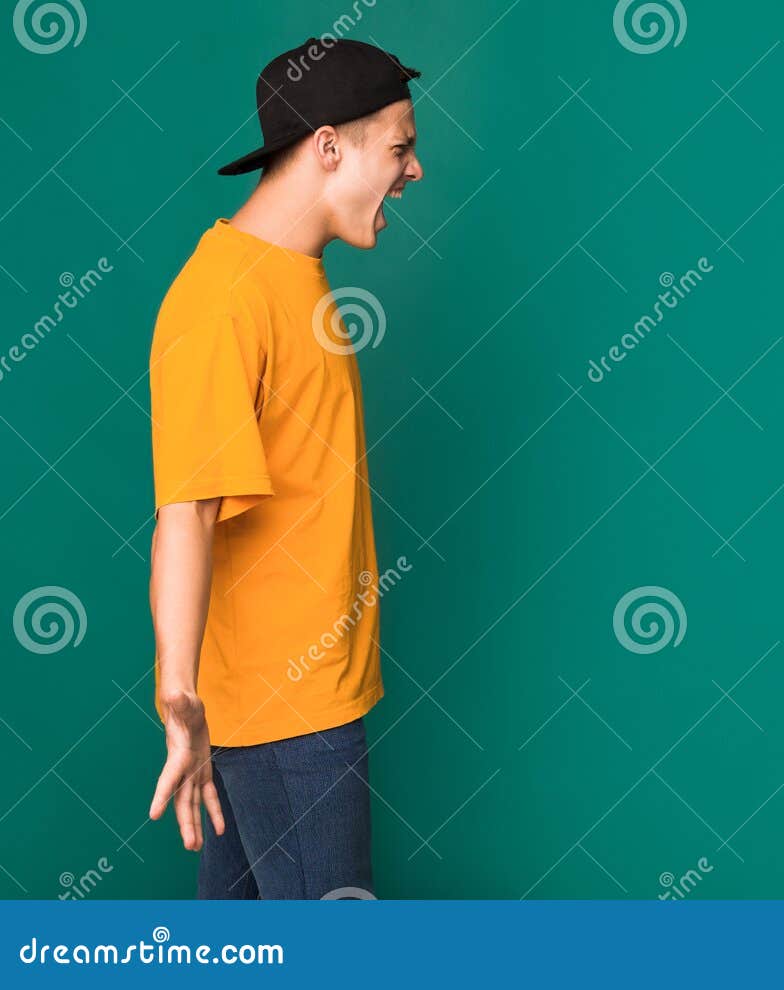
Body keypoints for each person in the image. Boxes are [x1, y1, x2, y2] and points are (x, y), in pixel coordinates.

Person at [144, 37, 424, 899]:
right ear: (330, 146)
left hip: (294, 708)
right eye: (401, 148)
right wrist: (179, 697)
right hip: (287, 720)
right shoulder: (224, 298)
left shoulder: (292, 278)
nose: (414, 173)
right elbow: (185, 514)